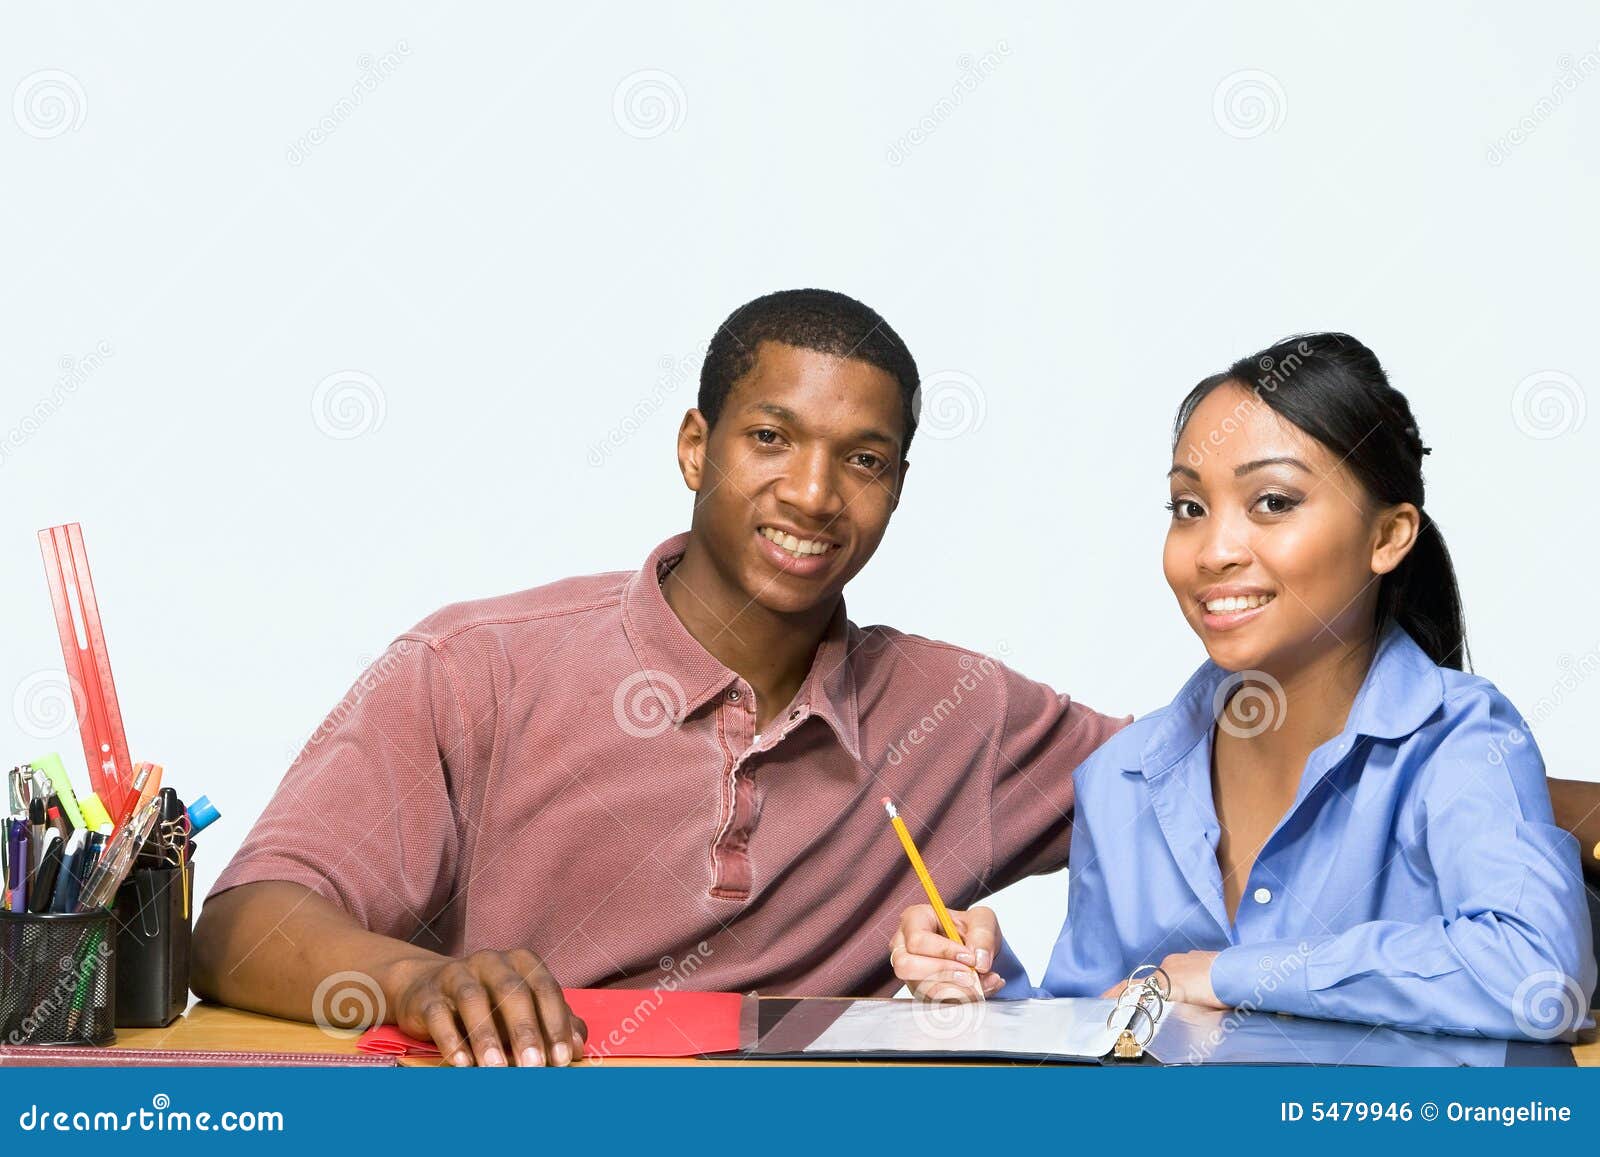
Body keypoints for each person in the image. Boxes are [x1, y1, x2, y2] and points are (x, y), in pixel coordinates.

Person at [192, 289, 1128, 1066]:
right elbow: (240, 927)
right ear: (694, 446)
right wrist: (416, 980)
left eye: (863, 460)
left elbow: (1188, 787)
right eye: (771, 437)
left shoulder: (960, 711)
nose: (813, 493)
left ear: (898, 488)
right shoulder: (477, 667)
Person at [890, 333, 1598, 1039]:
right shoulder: (1122, 777)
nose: (1214, 551)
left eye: (1273, 501)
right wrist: (984, 987)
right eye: (1189, 508)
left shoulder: (1459, 741)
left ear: (1388, 537)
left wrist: (1228, 974)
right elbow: (1102, 1033)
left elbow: (1536, 974)